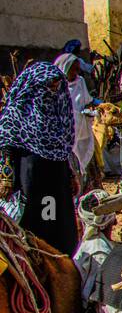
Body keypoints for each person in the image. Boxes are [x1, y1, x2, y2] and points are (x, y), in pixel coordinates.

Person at [0, 62, 78, 256]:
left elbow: (62, 150)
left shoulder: (58, 113)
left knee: (53, 216)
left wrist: (69, 174)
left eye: (56, 85)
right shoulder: (17, 111)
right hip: (31, 175)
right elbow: (7, 144)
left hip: (55, 179)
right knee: (35, 218)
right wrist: (5, 176)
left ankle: (56, 252)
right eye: (49, 86)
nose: (53, 90)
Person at [54, 53, 96, 182]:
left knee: (84, 158)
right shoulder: (56, 86)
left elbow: (86, 100)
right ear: (65, 68)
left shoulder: (80, 81)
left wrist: (88, 111)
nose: (76, 72)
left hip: (81, 127)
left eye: (78, 69)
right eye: (74, 69)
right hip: (64, 132)